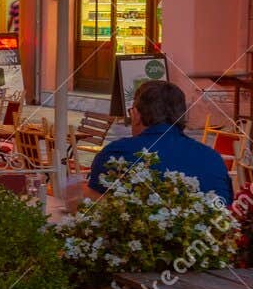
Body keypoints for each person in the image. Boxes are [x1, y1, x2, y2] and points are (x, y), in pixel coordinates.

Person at [87, 79, 232, 204]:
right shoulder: (212, 158)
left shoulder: (116, 155)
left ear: (136, 115)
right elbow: (225, 208)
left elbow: (95, 209)